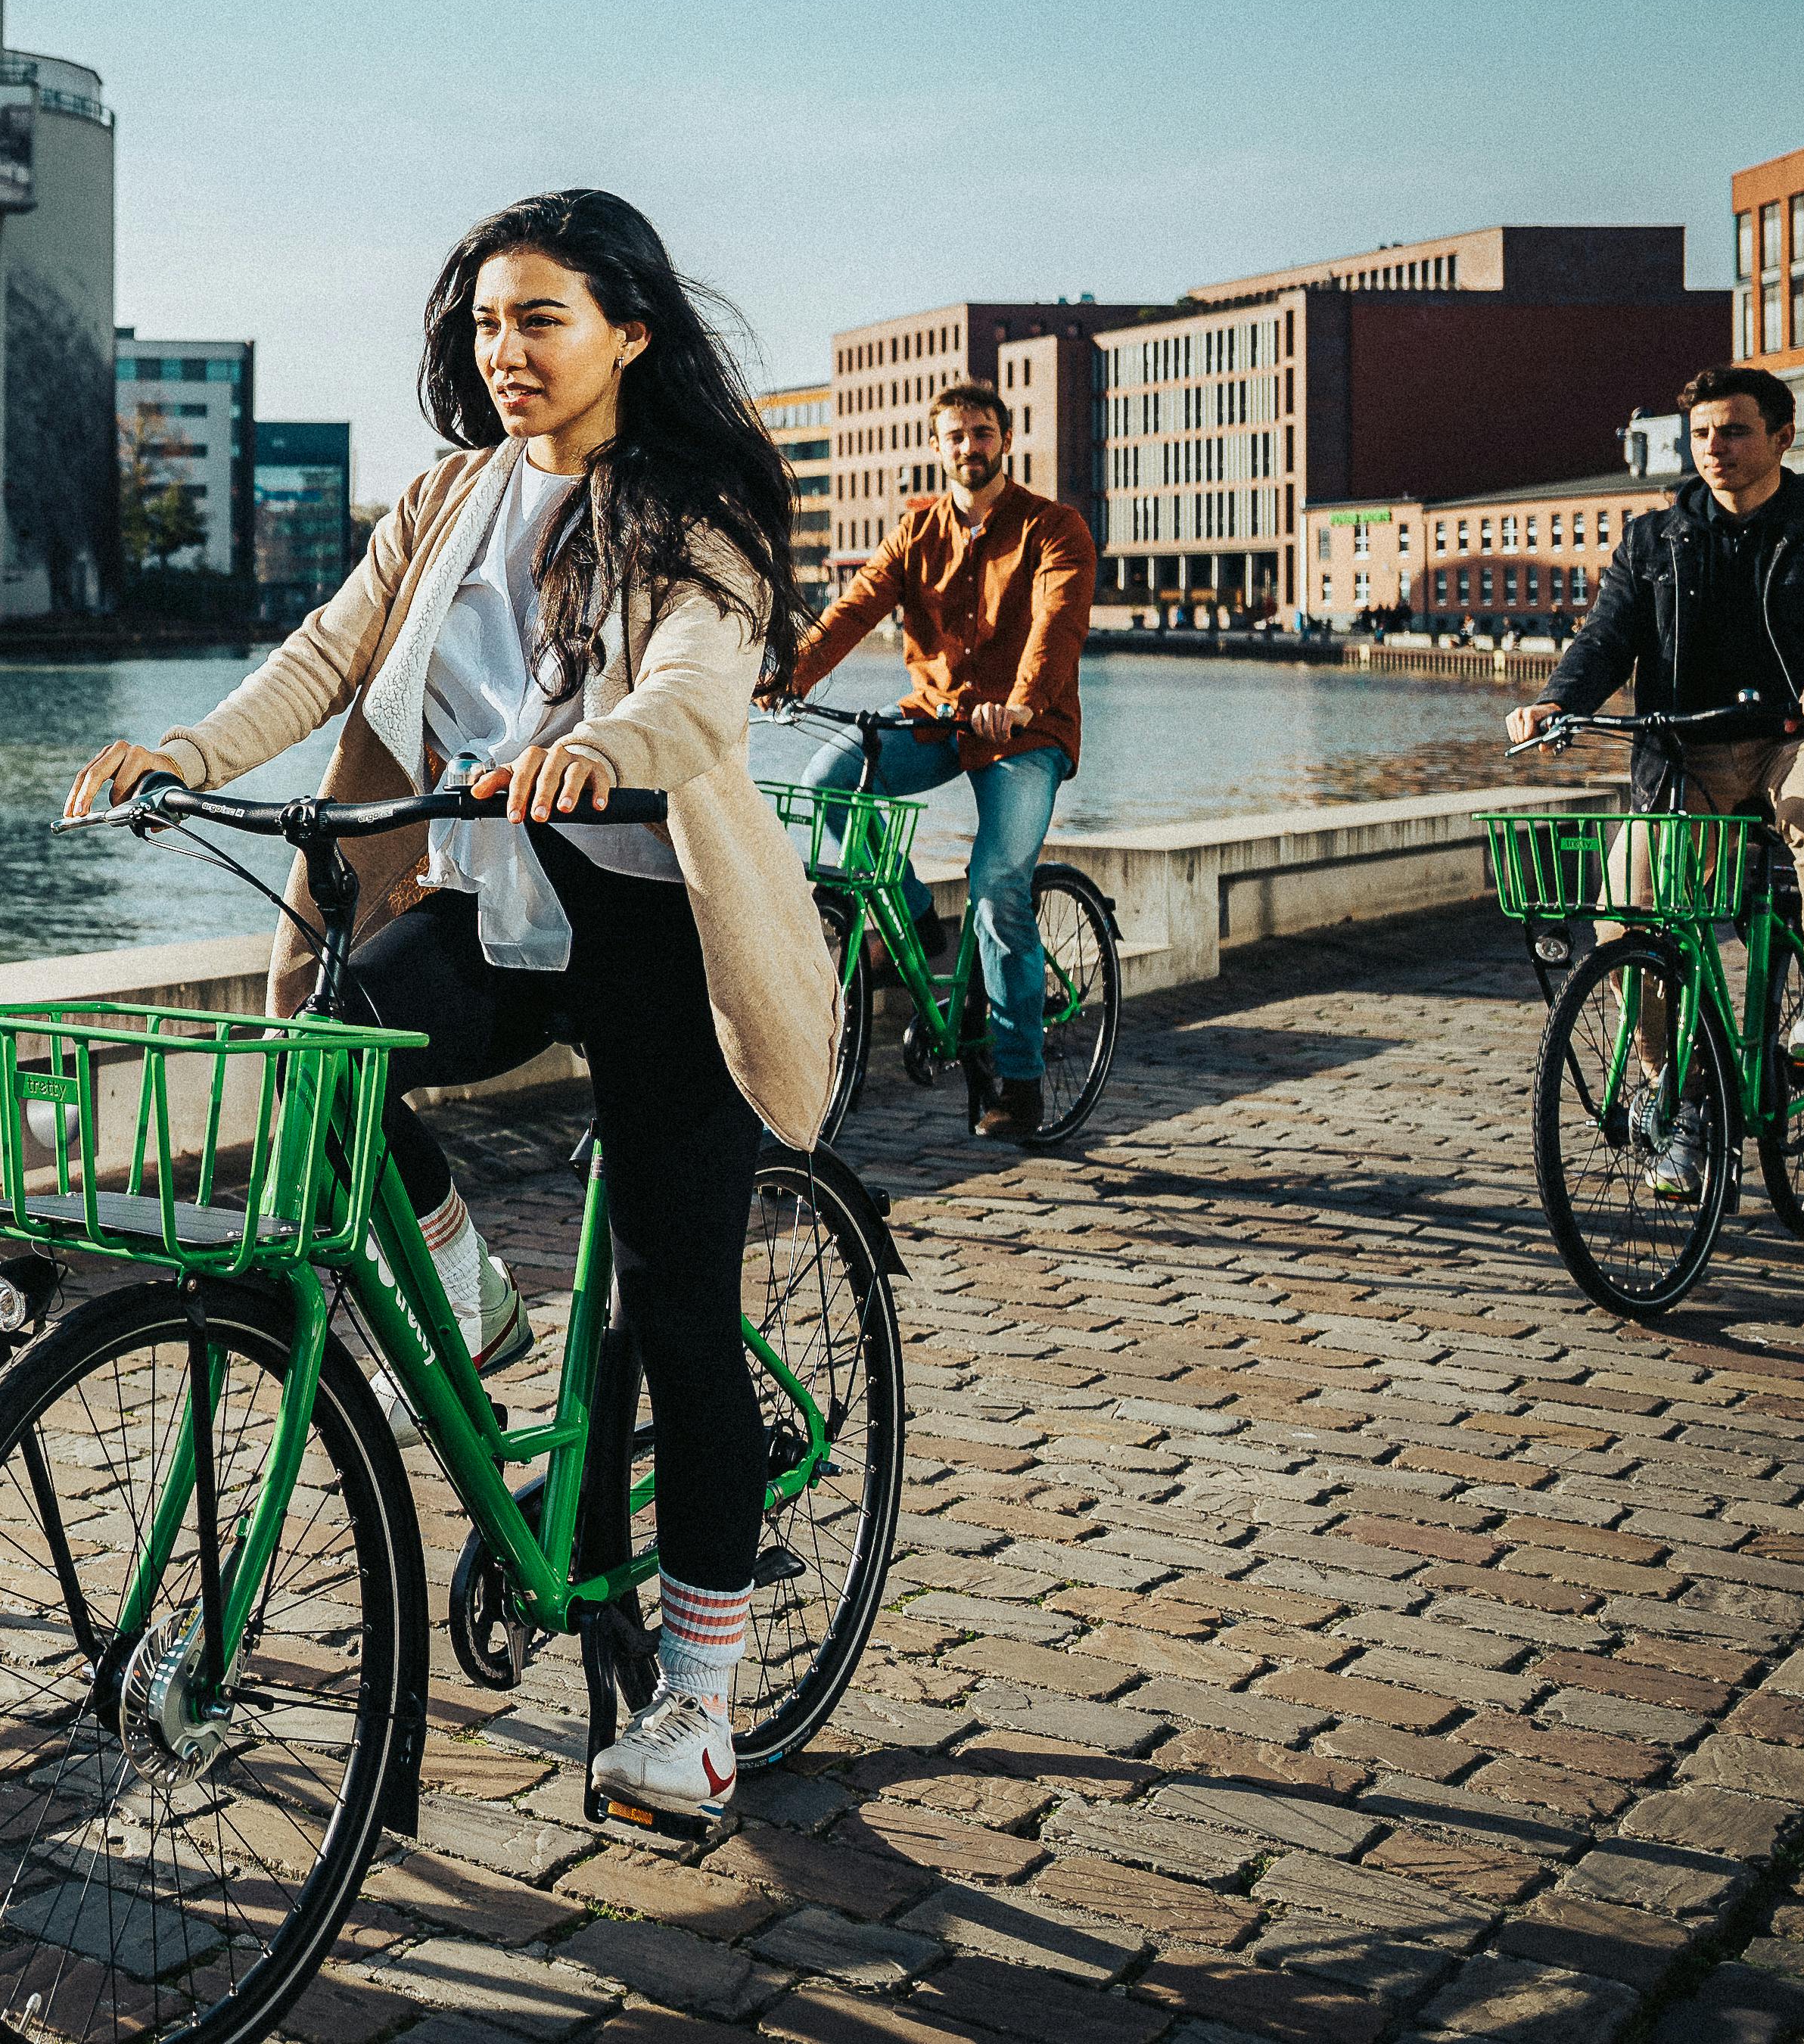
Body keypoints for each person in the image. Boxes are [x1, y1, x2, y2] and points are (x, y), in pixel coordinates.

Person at [62, 188, 839, 1838]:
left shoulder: (697, 504)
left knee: (678, 1308)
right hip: (491, 913)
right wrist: (190, 752)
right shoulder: (446, 498)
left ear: (629, 328)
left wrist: (610, 746)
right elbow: (325, 656)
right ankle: (480, 1322)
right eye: (488, 320)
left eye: (543, 317)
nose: (508, 350)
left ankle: (695, 1702)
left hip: (657, 931)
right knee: (318, 1074)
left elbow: (700, 684)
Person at [1513, 366, 1804, 1104]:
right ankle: (1679, 1099)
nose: (1714, 446)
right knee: (1625, 924)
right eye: (1701, 433)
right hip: (1684, 754)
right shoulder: (1654, 539)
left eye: (1733, 429)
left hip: (1802, 740)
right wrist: (1555, 700)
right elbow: (1605, 637)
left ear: (1782, 437)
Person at [758, 381, 1096, 1141]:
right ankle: (911, 918)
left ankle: (1019, 1077)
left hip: (1025, 729)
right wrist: (789, 676)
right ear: (937, 447)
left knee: (998, 883)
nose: (968, 447)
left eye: (982, 433)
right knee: (828, 782)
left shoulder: (1054, 528)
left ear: (1005, 441)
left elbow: (1058, 624)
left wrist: (1022, 699)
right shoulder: (916, 531)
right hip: (937, 718)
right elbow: (855, 608)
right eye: (955, 436)